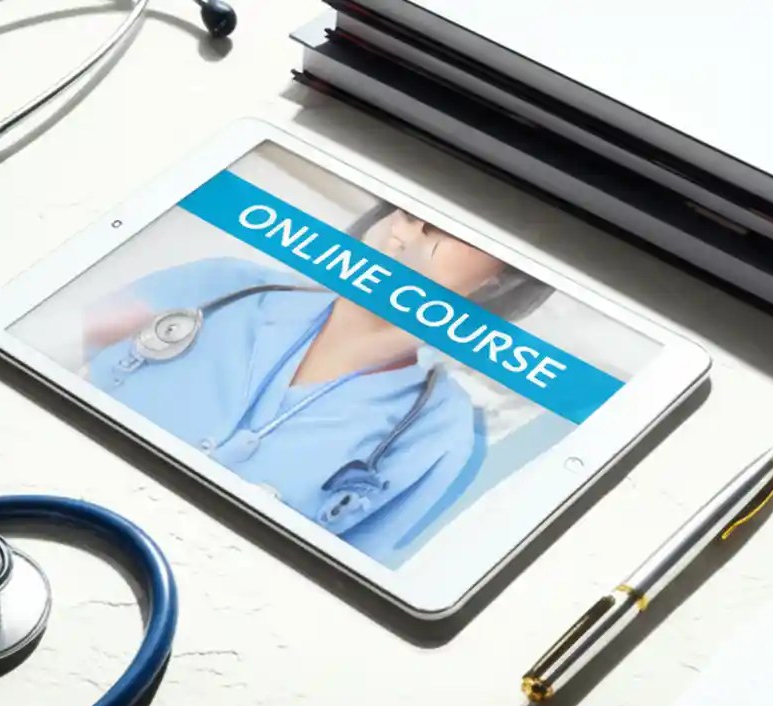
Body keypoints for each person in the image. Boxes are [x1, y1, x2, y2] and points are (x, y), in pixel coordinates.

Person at [81, 202, 553, 562]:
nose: (405, 234)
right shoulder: (223, 283)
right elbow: (58, 340)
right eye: (409, 213)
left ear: (502, 278)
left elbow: (343, 582)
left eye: (445, 232)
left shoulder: (440, 435)